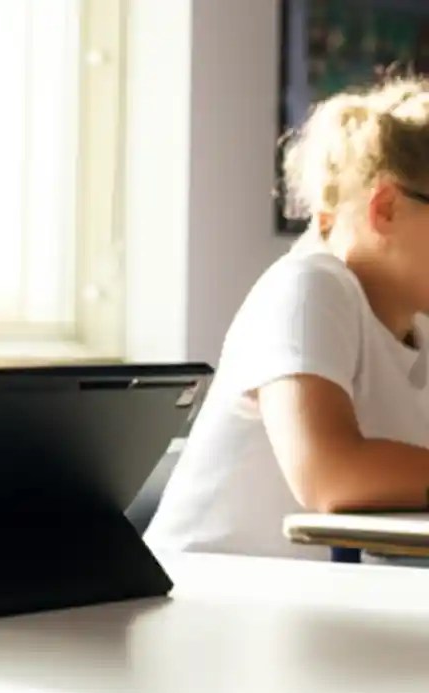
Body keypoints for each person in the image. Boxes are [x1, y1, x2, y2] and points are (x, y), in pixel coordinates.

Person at [145, 75, 429, 560]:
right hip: (205, 609)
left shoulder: (415, 328)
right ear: (385, 209)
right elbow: (330, 476)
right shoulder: (309, 286)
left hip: (308, 612)